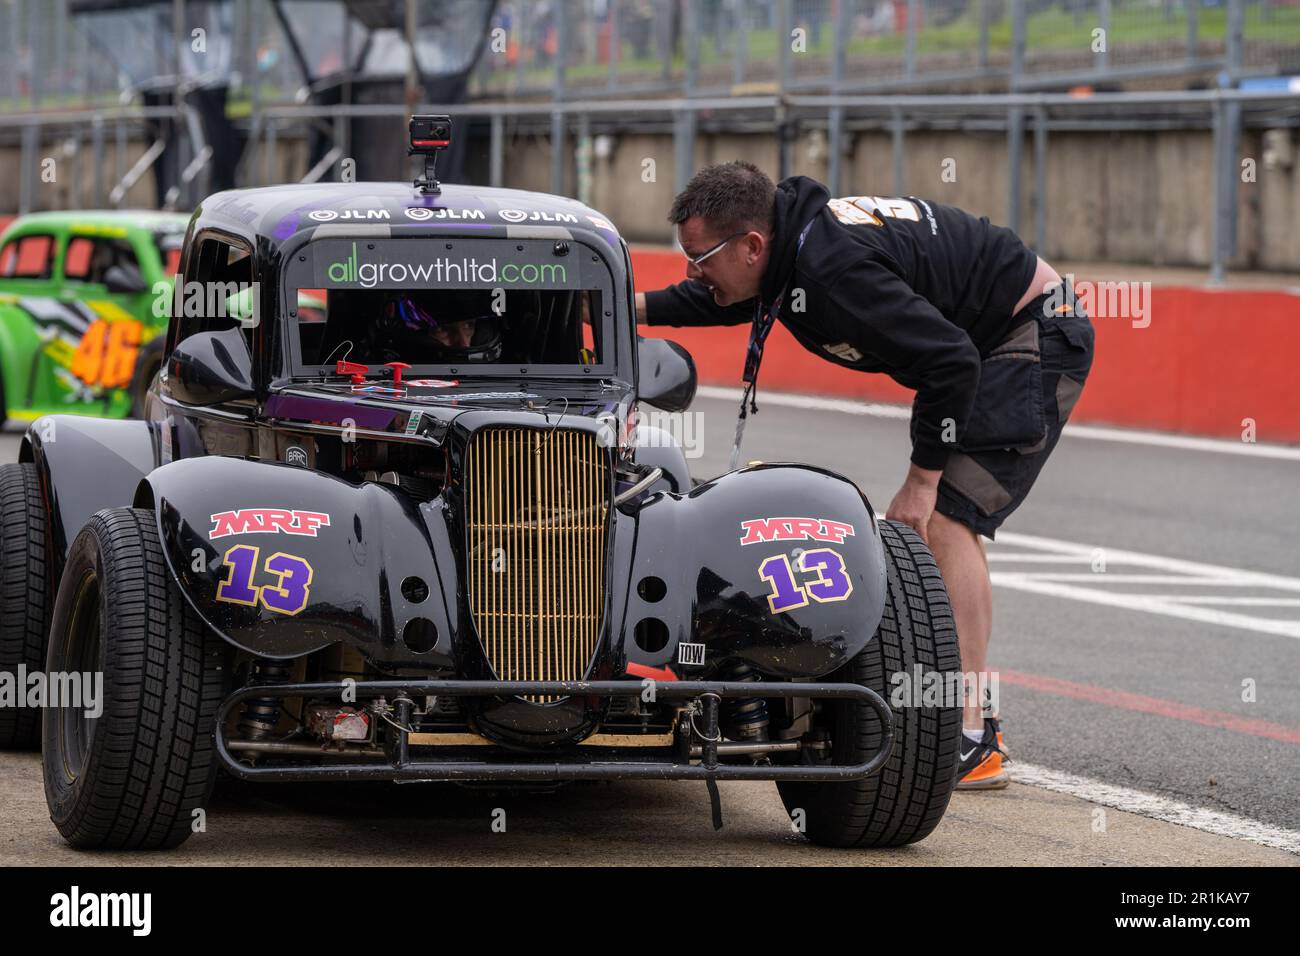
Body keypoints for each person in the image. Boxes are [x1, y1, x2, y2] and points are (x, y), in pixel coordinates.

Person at [635, 162, 1095, 790]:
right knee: (946, 522)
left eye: (701, 257)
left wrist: (922, 481)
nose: (693, 270)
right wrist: (621, 304)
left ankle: (971, 735)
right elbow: (720, 296)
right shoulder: (788, 247)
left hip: (1031, 332)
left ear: (751, 245)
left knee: (949, 519)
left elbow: (951, 361)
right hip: (997, 331)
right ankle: (966, 726)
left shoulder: (832, 271)